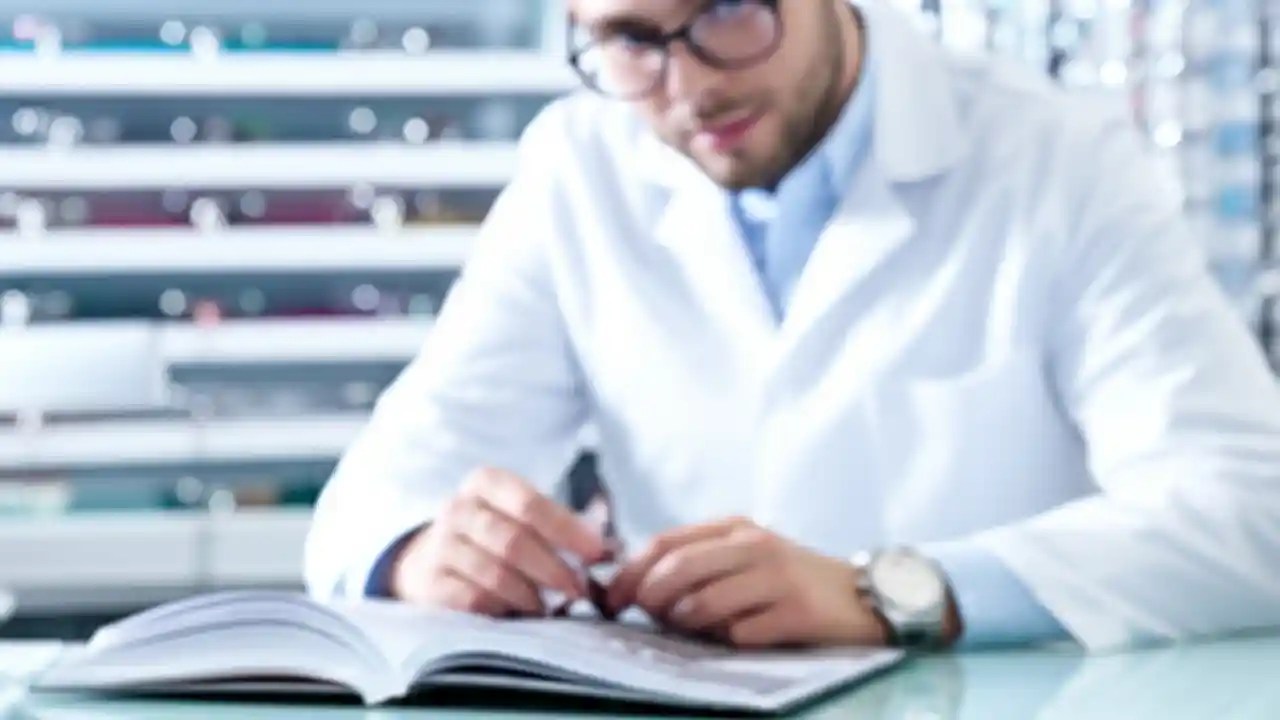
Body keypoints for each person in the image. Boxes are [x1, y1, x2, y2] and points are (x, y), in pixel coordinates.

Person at [305, 0, 1280, 652]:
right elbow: (372, 498)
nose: (690, 90)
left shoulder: (1052, 157)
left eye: (727, 10)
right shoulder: (579, 163)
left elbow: (1249, 513)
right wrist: (425, 550)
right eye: (630, 40)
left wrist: (897, 593)